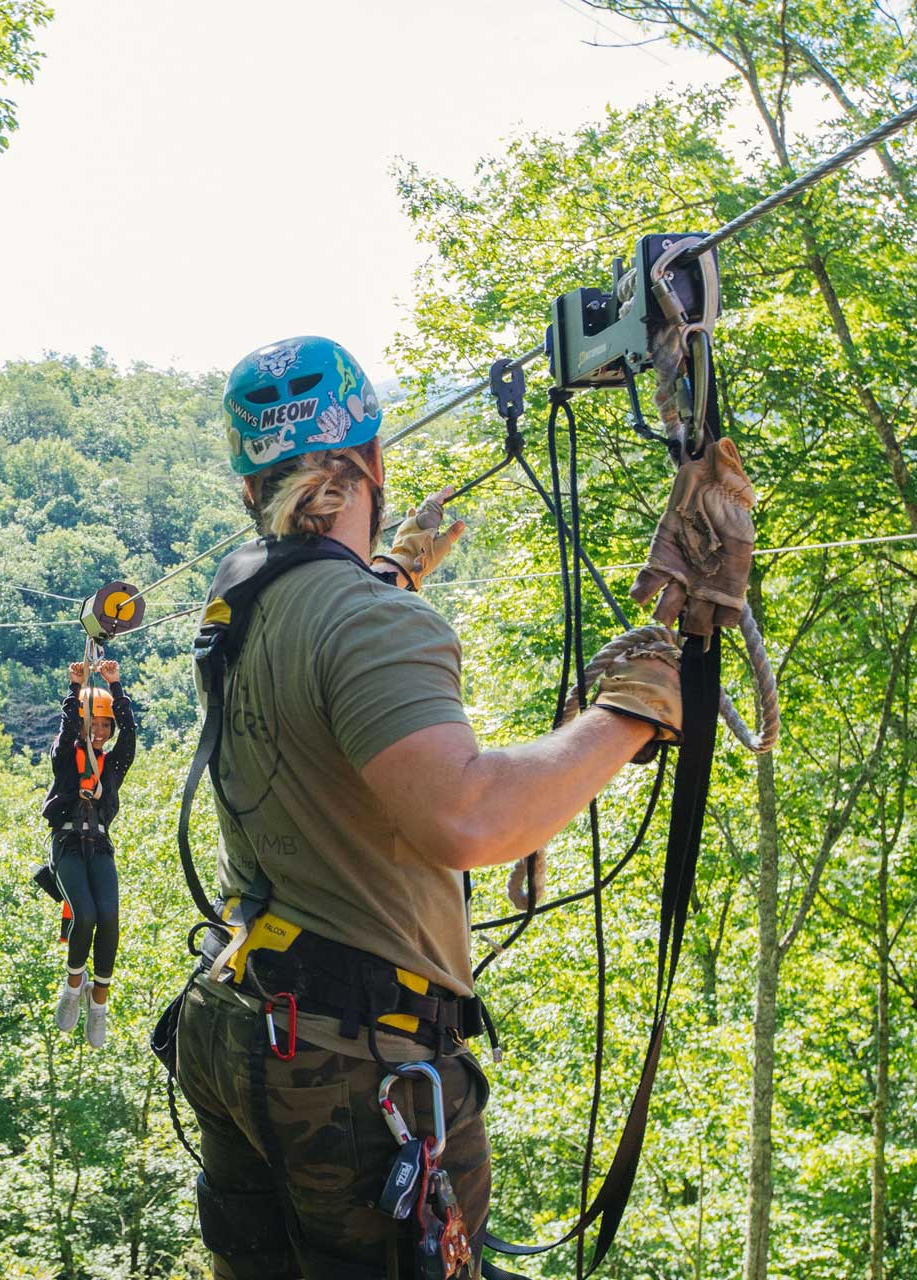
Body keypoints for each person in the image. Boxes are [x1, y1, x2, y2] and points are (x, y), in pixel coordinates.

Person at [173, 336, 695, 1280]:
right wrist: (631, 711)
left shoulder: (238, 588)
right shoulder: (368, 620)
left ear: (251, 487)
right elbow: (472, 819)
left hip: (240, 1021)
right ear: (370, 459)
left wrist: (399, 565)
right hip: (351, 1066)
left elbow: (321, 617)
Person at [42, 656, 137, 1047]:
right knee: (86, 914)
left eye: (104, 725)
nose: (99, 731)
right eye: (92, 723)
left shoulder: (112, 765)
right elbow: (66, 736)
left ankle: (98, 1003)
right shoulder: (66, 759)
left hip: (98, 844)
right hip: (66, 842)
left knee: (110, 918)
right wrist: (73, 689)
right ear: (83, 723)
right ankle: (73, 985)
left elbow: (131, 735)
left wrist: (115, 686)